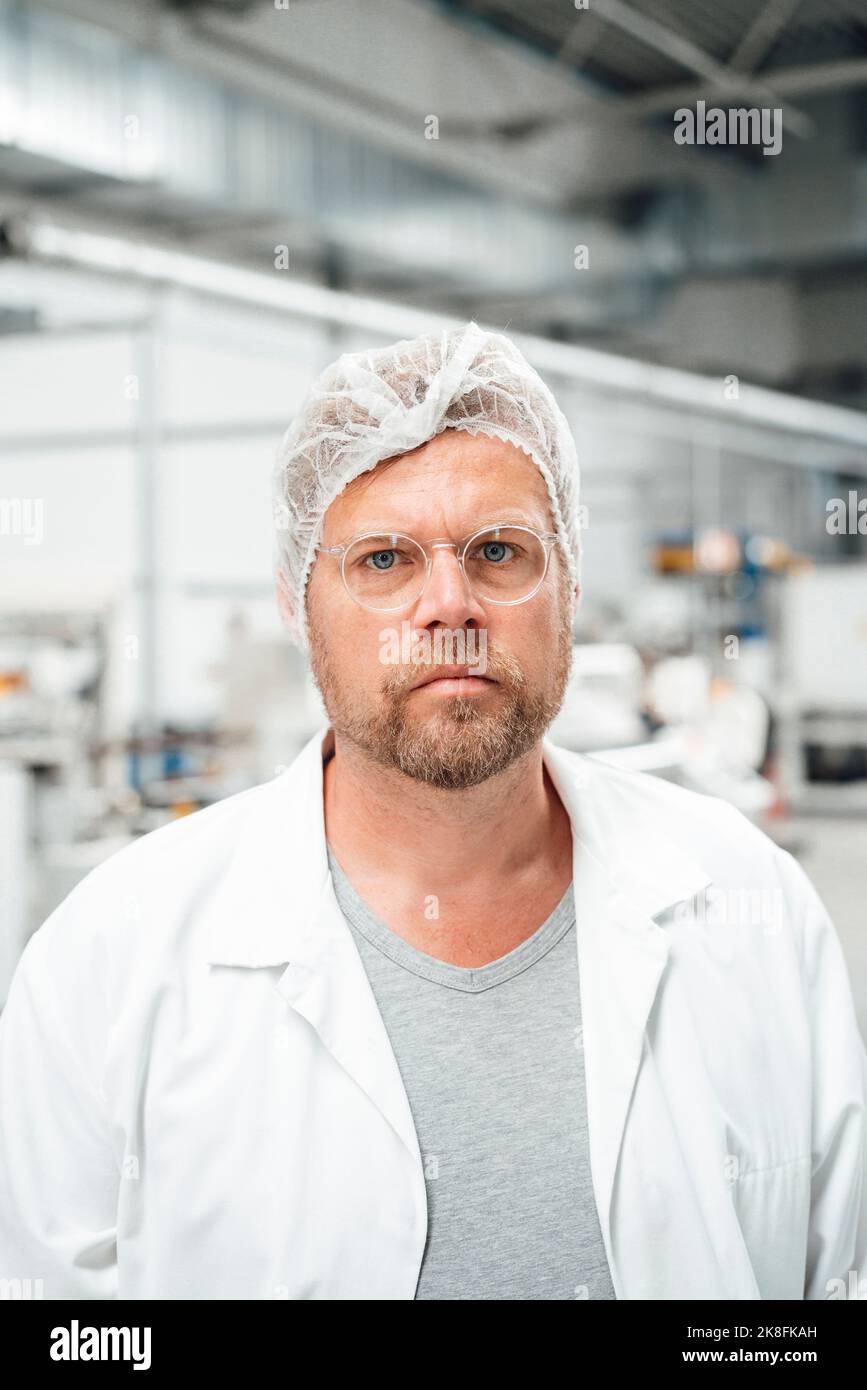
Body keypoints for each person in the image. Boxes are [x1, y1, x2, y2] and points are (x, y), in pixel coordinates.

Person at [0, 322, 865, 1300]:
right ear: (296, 601)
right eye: (383, 560)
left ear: (569, 583)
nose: (448, 605)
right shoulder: (107, 966)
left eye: (499, 550)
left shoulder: (754, 911)